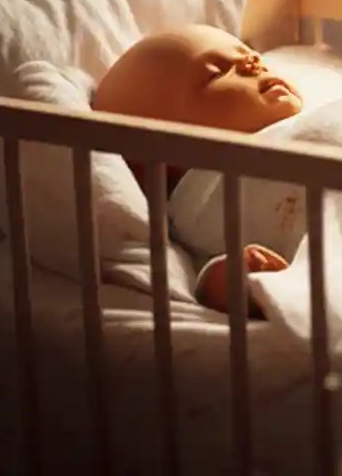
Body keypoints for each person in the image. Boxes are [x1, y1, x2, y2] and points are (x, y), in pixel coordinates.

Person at [93, 23, 298, 314]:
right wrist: (235, 277)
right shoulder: (204, 197)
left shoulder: (314, 113)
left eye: (249, 53)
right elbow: (203, 273)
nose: (252, 62)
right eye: (217, 73)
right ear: (166, 150)